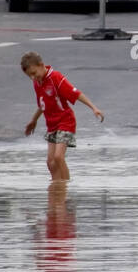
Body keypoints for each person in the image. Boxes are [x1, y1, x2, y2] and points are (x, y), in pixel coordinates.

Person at [21, 51, 104, 182]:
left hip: (65, 121)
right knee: (50, 162)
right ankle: (56, 188)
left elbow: (76, 93)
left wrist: (94, 108)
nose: (32, 78)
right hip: (51, 124)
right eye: (29, 76)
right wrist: (34, 120)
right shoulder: (37, 83)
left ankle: (65, 189)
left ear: (41, 65)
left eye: (34, 73)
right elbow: (43, 105)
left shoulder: (55, 78)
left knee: (58, 157)